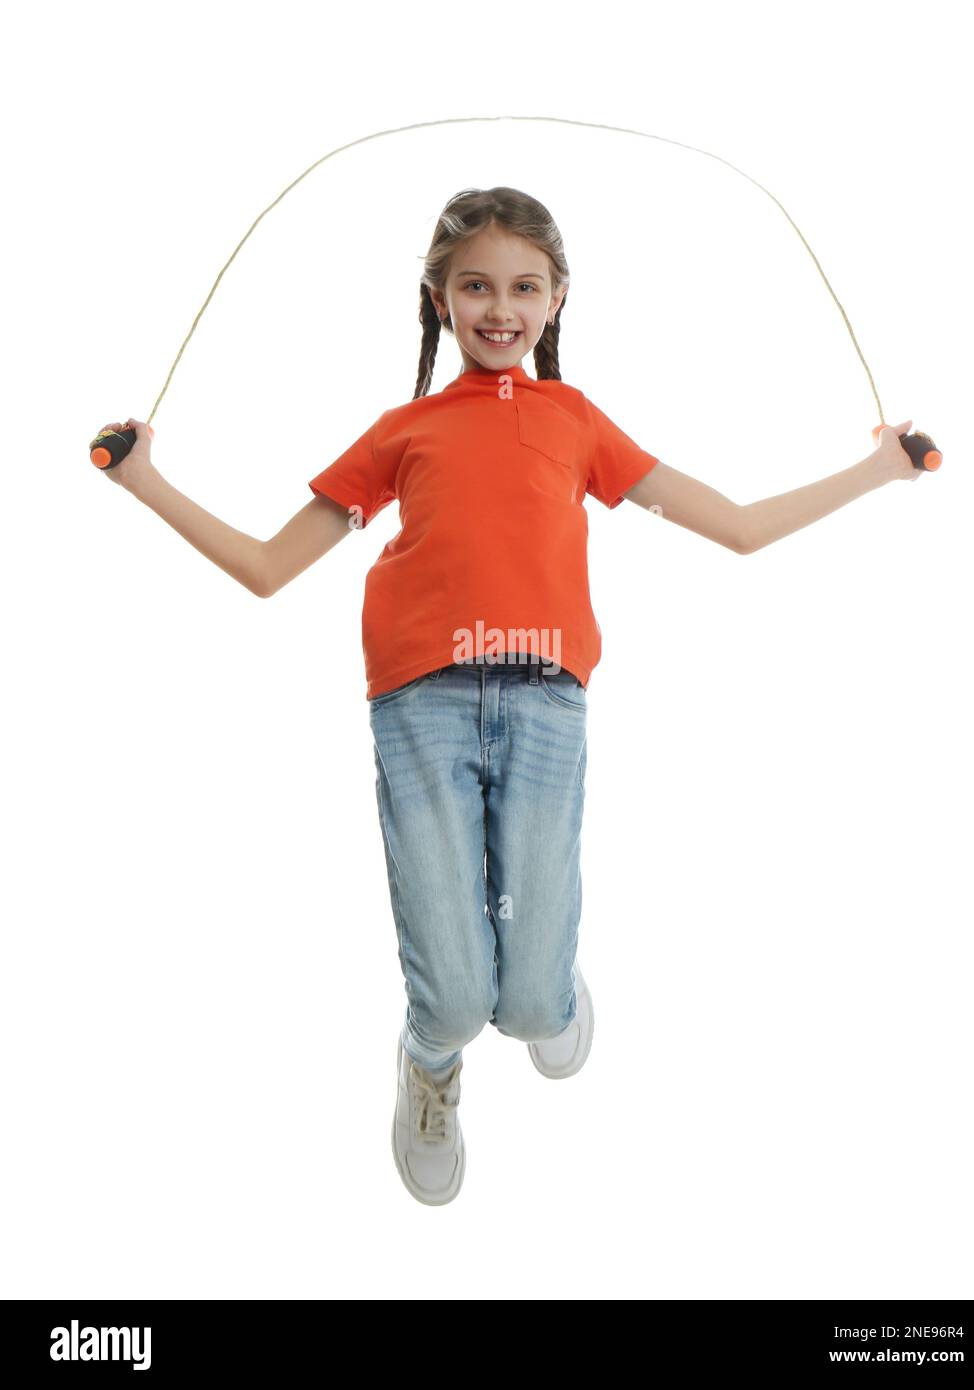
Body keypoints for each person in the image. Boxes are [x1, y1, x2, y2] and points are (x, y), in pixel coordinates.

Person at [97, 186, 919, 1207]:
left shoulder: (574, 422)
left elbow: (740, 525)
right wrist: (146, 482)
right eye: (475, 285)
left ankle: (545, 983)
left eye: (525, 287)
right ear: (437, 297)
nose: (500, 308)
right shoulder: (403, 431)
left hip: (545, 707)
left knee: (530, 1006)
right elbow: (269, 566)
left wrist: (878, 468)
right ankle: (429, 1068)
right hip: (420, 706)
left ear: (558, 298)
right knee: (447, 1000)